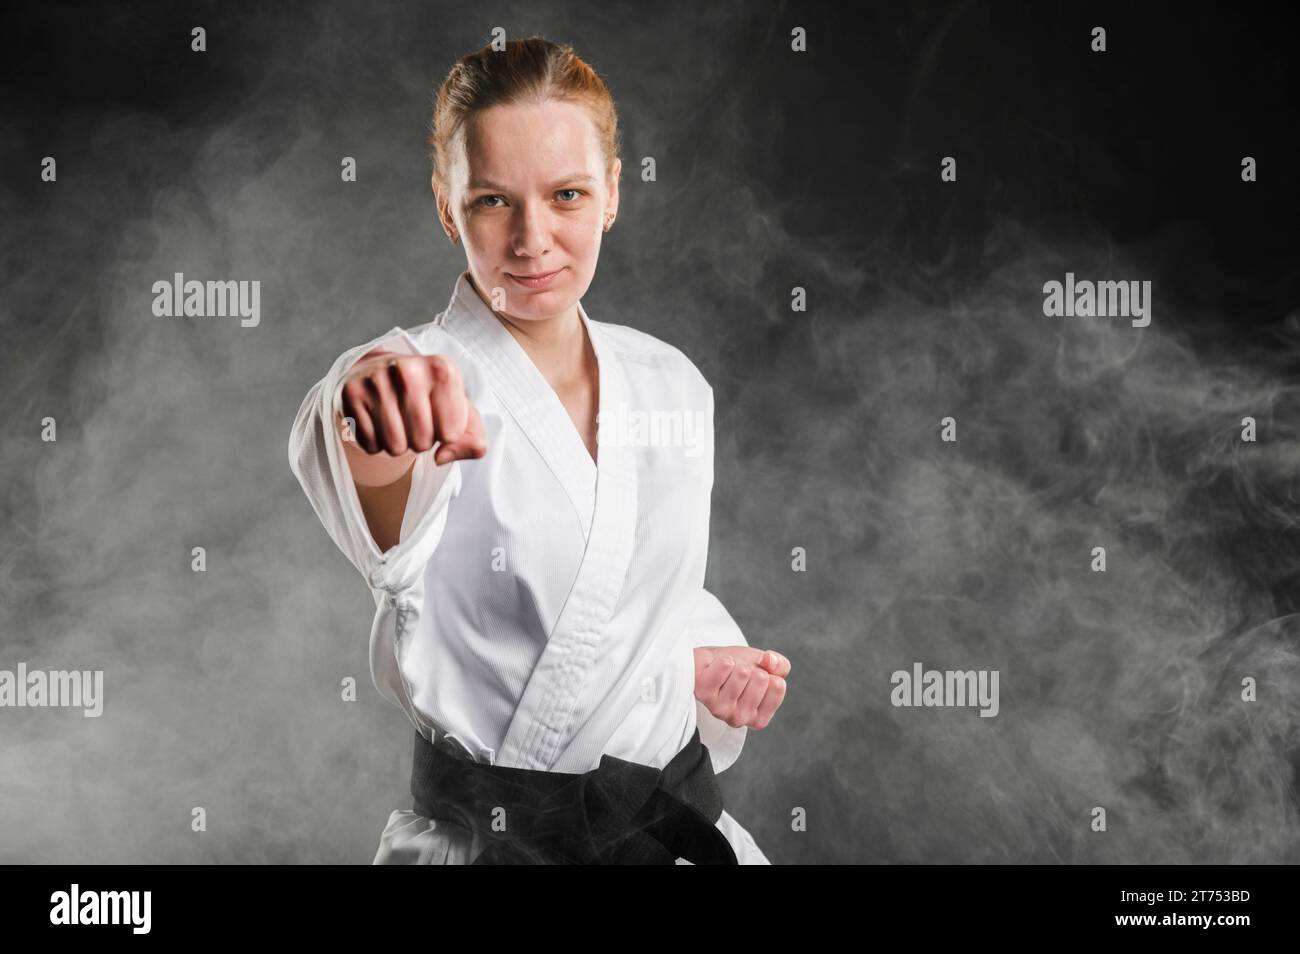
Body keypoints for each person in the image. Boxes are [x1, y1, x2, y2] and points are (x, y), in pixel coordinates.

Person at [287, 36, 789, 864]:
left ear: (612, 194)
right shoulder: (424, 378)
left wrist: (691, 662)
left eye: (565, 194)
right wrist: (369, 398)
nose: (533, 239)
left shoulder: (672, 384)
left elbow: (627, 599)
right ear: (447, 205)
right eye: (491, 201)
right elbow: (359, 432)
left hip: (672, 836)